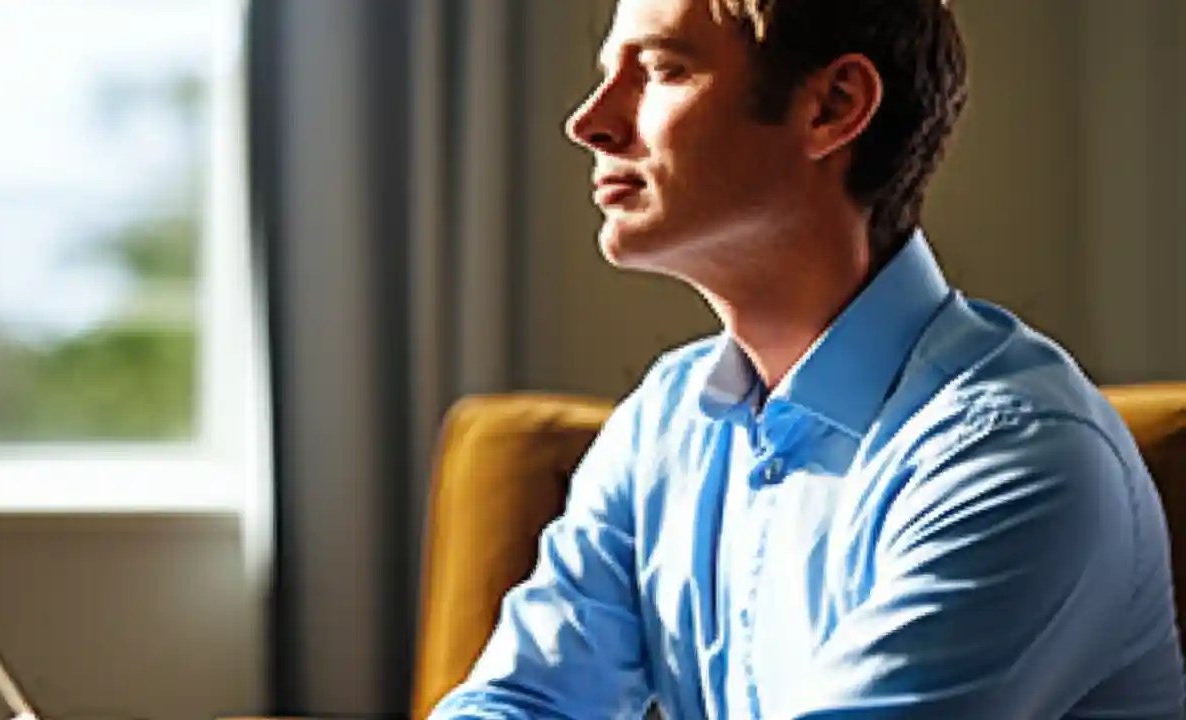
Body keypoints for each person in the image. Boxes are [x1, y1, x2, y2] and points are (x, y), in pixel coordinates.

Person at [430, 0, 1184, 717]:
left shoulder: (1017, 457)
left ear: (832, 105)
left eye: (660, 69)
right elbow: (522, 702)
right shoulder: (664, 423)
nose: (588, 122)